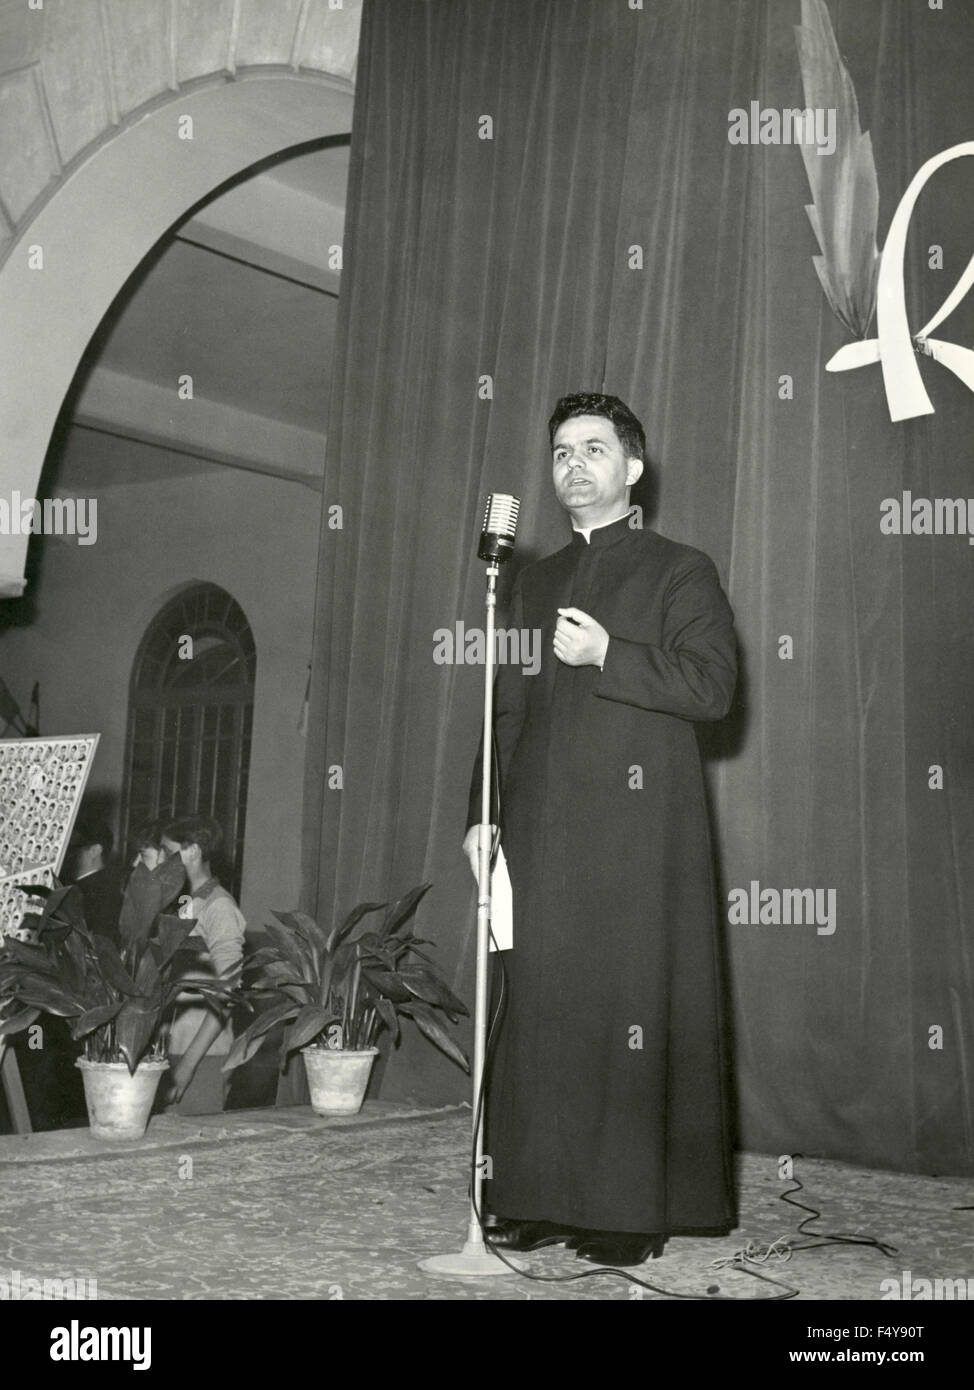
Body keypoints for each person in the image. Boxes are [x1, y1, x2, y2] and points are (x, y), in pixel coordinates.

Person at [463, 392, 738, 1267]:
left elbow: (713, 689)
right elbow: (498, 711)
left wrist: (608, 656)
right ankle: (534, 1194)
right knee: (540, 1005)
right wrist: (483, 815)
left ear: (633, 467)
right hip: (540, 829)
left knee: (626, 1010)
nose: (573, 466)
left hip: (637, 834)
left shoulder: (679, 569)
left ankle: (623, 1208)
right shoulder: (527, 582)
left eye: (593, 449)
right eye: (559, 453)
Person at [158, 815, 245, 1115]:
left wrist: (187, 1066)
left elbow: (228, 992)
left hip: (202, 1056)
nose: (160, 861)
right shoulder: (186, 903)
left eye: (167, 853)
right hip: (172, 1051)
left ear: (191, 852)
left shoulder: (219, 908)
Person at [65, 818, 125, 947]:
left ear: (95, 851)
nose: (65, 854)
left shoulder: (102, 895)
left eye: (72, 848)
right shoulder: (81, 888)